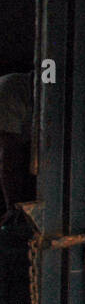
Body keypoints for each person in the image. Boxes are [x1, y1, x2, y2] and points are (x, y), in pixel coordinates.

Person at [0, 72, 33, 224]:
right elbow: (9, 159)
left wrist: (13, 207)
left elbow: (10, 158)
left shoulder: (11, 91)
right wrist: (13, 207)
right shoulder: (10, 91)